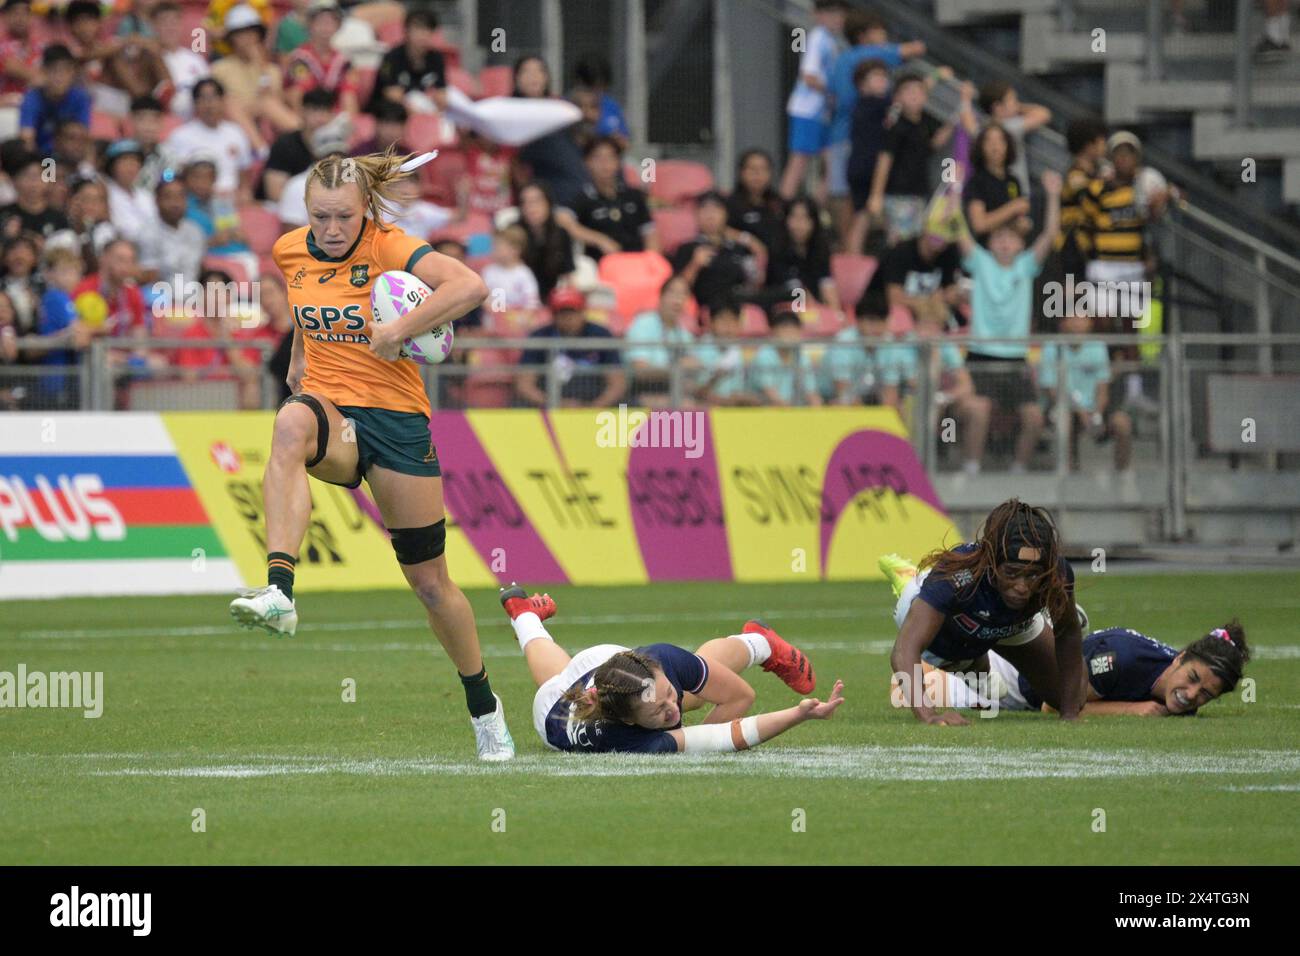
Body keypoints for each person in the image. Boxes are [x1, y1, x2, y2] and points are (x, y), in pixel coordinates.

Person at [227, 149, 515, 760]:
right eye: (320, 216)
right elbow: (308, 306)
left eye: (343, 217)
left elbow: (470, 285)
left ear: (365, 211)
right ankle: (280, 590)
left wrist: (398, 331)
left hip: (398, 424)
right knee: (287, 428)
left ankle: (484, 706)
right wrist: (300, 357)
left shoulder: (388, 246)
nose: (331, 230)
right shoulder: (289, 250)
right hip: (334, 413)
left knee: (431, 584)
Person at [499, 585, 843, 755]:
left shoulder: (656, 661)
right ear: (632, 722)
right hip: (551, 712)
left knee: (689, 697)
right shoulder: (633, 740)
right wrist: (799, 714)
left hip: (607, 663)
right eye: (658, 711)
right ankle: (523, 613)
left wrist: (693, 739)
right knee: (553, 679)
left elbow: (740, 698)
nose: (670, 708)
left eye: (665, 696)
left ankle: (759, 643)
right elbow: (729, 736)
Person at [881, 498, 1087, 725]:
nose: (1022, 586)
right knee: (968, 662)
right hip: (951, 626)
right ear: (991, 561)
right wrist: (928, 716)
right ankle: (908, 578)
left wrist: (1070, 715)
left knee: (1075, 696)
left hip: (1010, 622)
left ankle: (981, 664)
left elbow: (1067, 632)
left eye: (1032, 576)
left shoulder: (1055, 573)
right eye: (1011, 572)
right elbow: (903, 651)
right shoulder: (955, 577)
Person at [954, 169, 1061, 473]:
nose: (1003, 242)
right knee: (980, 409)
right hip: (980, 356)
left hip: (1016, 359)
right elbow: (959, 231)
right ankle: (971, 468)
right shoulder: (980, 262)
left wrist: (1052, 195)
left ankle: (1020, 469)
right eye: (998, 237)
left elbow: (1050, 235)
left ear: (1020, 244)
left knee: (1034, 416)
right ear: (989, 244)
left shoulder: (1027, 266)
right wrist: (954, 191)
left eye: (1010, 238)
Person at [925, 621, 1249, 718]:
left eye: (1206, 694)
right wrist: (1133, 710)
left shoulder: (1180, 694)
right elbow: (1053, 707)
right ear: (1179, 658)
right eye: (1192, 679)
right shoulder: (1122, 660)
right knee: (905, 688)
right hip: (1014, 679)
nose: (1191, 695)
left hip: (1044, 667)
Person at [826, 10, 926, 240]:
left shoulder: (842, 60)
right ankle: (849, 253)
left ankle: (846, 249)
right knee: (860, 210)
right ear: (864, 36)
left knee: (846, 201)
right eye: (880, 33)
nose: (884, 38)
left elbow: (831, 94)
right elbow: (917, 48)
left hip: (839, 139)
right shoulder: (870, 61)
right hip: (861, 154)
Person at [867, 72, 976, 246]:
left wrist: (960, 110)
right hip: (899, 195)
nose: (914, 95)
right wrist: (876, 195)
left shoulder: (924, 122)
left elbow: (935, 143)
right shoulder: (896, 126)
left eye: (919, 91)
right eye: (908, 91)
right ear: (897, 97)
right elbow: (884, 160)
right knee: (901, 243)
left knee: (916, 241)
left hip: (919, 193)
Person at [1037, 306, 1134, 475]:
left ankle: (1123, 474)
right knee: (1064, 420)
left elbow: (1102, 389)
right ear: (1063, 324)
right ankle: (1066, 473)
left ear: (1090, 323)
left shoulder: (1097, 347)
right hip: (1063, 407)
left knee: (1122, 422)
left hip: (1093, 409)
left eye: (1082, 319)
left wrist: (1096, 414)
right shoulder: (1052, 348)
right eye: (1072, 319)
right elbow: (1051, 390)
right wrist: (1080, 410)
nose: (1077, 324)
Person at [778, 0, 848, 202]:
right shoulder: (817, 38)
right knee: (799, 162)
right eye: (832, 13)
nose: (837, 18)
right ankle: (784, 208)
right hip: (808, 111)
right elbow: (809, 77)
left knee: (831, 165)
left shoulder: (830, 41)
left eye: (840, 13)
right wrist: (836, 91)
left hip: (823, 112)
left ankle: (815, 212)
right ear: (818, 15)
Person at [515, 285, 626, 408]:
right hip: (551, 400)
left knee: (627, 404)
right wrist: (556, 404)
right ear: (553, 315)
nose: (568, 318)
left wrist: (594, 408)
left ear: (583, 312)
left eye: (572, 312)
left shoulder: (601, 335)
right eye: (562, 313)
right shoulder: (540, 337)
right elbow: (524, 384)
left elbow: (617, 383)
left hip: (595, 400)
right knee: (518, 405)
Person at [212, 3, 299, 148]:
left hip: (268, 121)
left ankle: (305, 137)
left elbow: (274, 101)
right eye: (241, 34)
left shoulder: (271, 69)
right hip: (233, 123)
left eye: (252, 33)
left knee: (268, 102)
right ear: (232, 38)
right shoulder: (219, 68)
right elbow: (218, 106)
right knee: (231, 103)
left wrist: (260, 65)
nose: (248, 39)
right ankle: (261, 149)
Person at [557, 136, 656, 261]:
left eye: (610, 157)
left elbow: (650, 232)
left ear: (618, 162)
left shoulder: (634, 195)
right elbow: (562, 219)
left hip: (637, 263)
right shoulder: (583, 198)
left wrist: (652, 259)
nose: (605, 164)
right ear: (586, 163)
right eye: (598, 158)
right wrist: (600, 239)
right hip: (602, 267)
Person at [512, 55, 589, 209]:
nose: (533, 76)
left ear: (546, 78)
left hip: (574, 183)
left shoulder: (561, 110)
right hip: (544, 189)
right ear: (516, 79)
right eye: (526, 72)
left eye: (539, 71)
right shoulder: (509, 111)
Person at [165, 78, 256, 197]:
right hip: (196, 199)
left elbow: (244, 176)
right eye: (203, 99)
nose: (209, 104)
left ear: (223, 101)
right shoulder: (180, 136)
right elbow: (169, 175)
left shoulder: (236, 133)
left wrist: (244, 194)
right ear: (195, 103)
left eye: (213, 98)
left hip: (232, 200)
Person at [671, 190, 761, 311]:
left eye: (716, 209)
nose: (710, 215)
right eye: (705, 210)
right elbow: (676, 289)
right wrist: (695, 265)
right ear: (696, 215)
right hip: (708, 305)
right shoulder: (687, 248)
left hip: (739, 302)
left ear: (725, 214)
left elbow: (753, 282)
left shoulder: (737, 248)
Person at [622, 272, 697, 406]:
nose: (678, 300)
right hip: (638, 394)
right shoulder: (643, 324)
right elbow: (641, 371)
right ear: (661, 297)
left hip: (673, 393)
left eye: (683, 294)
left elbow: (691, 374)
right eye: (673, 293)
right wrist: (676, 368)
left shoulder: (685, 335)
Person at [844, 57, 892, 255]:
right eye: (877, 77)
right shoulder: (874, 103)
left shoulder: (863, 106)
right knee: (863, 218)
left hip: (860, 166)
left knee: (862, 218)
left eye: (884, 77)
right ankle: (852, 263)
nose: (883, 81)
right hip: (866, 168)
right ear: (862, 84)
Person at [976, 82, 1051, 206]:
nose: (1016, 103)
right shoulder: (1010, 127)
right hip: (1013, 192)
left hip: (994, 190)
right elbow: (1044, 114)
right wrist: (1020, 107)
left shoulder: (983, 127)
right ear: (998, 107)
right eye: (1012, 100)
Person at [763, 195, 840, 315]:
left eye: (805, 218)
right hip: (784, 309)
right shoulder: (777, 250)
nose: (799, 224)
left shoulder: (820, 251)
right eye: (794, 217)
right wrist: (817, 313)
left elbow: (827, 284)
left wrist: (836, 315)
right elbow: (797, 290)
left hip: (813, 310)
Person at [261, 88, 339, 203]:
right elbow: (275, 194)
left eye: (326, 111)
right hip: (284, 207)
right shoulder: (285, 145)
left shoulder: (335, 147)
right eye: (315, 110)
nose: (321, 118)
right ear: (303, 112)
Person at [367, 5, 447, 114]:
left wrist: (439, 108)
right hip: (389, 113)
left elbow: (441, 91)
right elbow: (391, 94)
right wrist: (421, 115)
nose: (422, 35)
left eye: (427, 30)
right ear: (406, 31)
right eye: (417, 29)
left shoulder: (437, 58)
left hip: (422, 107)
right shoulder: (390, 57)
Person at [285, 0, 359, 115]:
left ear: (338, 26)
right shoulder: (300, 57)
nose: (325, 27)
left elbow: (348, 93)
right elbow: (299, 93)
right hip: (307, 112)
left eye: (330, 22)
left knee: (349, 96)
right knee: (297, 91)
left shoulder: (344, 60)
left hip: (332, 112)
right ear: (310, 25)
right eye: (320, 22)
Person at [962, 123, 1029, 246]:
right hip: (987, 251)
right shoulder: (976, 181)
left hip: (1011, 249)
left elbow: (1017, 219)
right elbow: (979, 225)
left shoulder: (1013, 181)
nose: (995, 145)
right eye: (989, 140)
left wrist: (1021, 225)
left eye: (1000, 140)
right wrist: (1012, 208)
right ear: (980, 147)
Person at [19, 44, 91, 155]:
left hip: (67, 156)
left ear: (73, 73)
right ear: (44, 72)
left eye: (66, 71)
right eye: (54, 71)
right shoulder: (32, 98)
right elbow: (27, 139)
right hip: (41, 156)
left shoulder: (80, 97)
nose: (60, 77)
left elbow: (82, 136)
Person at [517, 180, 575, 301]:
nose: (531, 207)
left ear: (548, 203)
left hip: (553, 301)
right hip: (518, 300)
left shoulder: (561, 234)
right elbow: (500, 274)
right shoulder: (513, 233)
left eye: (536, 201)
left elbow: (567, 275)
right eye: (525, 202)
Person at [693, 299, 756, 406]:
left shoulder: (739, 350)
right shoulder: (699, 350)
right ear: (711, 323)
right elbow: (696, 392)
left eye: (733, 321)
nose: (728, 327)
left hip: (734, 409)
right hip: (707, 411)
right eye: (723, 320)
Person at [751, 310, 821, 407]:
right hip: (765, 411)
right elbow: (770, 394)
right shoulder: (764, 355)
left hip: (791, 410)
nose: (789, 335)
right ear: (774, 331)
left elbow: (811, 392)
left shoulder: (802, 357)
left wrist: (817, 409)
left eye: (793, 330)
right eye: (785, 329)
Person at [0, 151, 70, 243]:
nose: (34, 184)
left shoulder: (59, 219)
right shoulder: (3, 215)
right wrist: (6, 238)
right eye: (27, 176)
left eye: (38, 176)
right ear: (14, 181)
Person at [726, 149, 785, 256]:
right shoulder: (731, 203)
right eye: (752, 169)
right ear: (741, 172)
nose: (758, 174)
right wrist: (749, 240)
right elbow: (719, 229)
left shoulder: (778, 202)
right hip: (742, 262)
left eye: (763, 169)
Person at [103, 140, 156, 244]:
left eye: (135, 161)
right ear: (112, 166)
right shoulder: (105, 193)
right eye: (124, 161)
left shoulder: (146, 196)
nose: (130, 167)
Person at [480, 223, 539, 311]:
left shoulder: (524, 273)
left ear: (515, 250)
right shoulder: (489, 271)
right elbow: (483, 297)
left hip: (519, 320)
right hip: (494, 319)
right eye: (494, 246)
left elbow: (532, 301)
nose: (494, 250)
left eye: (499, 247)